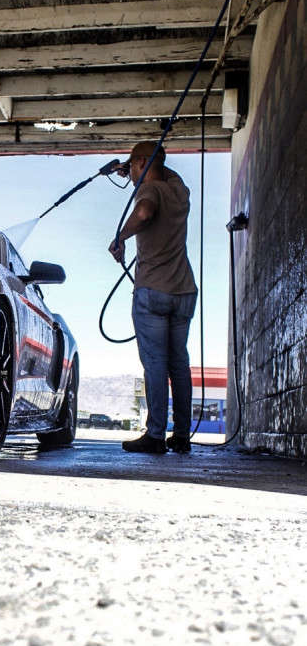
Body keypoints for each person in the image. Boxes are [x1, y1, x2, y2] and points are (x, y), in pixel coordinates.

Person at [108, 141, 198, 454]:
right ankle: (182, 435)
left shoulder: (150, 192)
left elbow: (144, 213)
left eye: (133, 166)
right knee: (179, 364)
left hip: (153, 292)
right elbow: (162, 171)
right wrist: (142, 166)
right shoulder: (179, 190)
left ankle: (156, 435)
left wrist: (120, 237)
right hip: (184, 292)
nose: (130, 174)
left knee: (156, 364)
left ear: (144, 162)